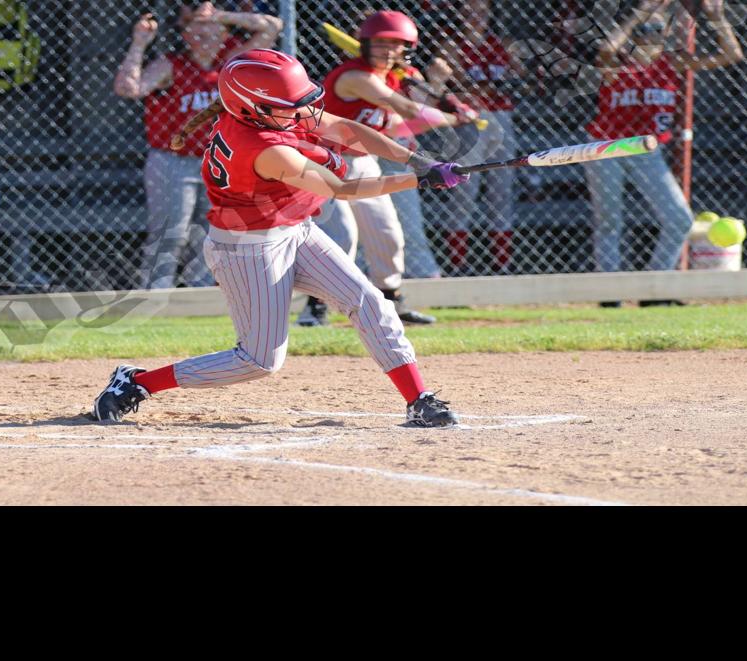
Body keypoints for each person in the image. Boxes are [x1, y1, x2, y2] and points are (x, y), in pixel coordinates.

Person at [87, 48, 469, 428]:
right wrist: (420, 179)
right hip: (248, 250)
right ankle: (136, 383)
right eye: (290, 104)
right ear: (252, 108)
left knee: (371, 303)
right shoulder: (263, 148)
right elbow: (343, 187)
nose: (302, 110)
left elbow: (346, 130)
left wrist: (416, 159)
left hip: (296, 230)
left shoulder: (274, 112)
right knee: (259, 360)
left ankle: (418, 399)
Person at [301, 10, 478, 328]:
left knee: (388, 234)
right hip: (325, 162)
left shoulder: (391, 79)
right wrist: (453, 115)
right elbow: (407, 107)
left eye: (396, 45)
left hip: (362, 162)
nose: (388, 51)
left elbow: (397, 125)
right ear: (364, 44)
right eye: (380, 44)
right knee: (341, 237)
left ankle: (391, 300)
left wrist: (437, 91)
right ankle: (315, 309)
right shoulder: (355, 76)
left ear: (407, 49)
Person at [116, 1, 284, 291]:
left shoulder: (231, 62)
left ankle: (203, 293)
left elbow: (273, 26)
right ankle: (157, 292)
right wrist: (139, 43)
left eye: (212, 26)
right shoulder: (172, 65)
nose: (204, 32)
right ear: (184, 32)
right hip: (173, 161)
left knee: (215, 232)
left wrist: (221, 15)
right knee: (171, 231)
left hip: (220, 162)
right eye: (197, 25)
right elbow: (129, 88)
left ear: (224, 31)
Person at [586, 0, 741, 302]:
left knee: (680, 219)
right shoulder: (616, 60)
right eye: (644, 29)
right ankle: (609, 294)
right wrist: (641, 11)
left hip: (646, 149)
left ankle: (655, 290)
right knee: (610, 221)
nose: (650, 35)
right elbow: (606, 47)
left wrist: (717, 17)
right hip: (606, 146)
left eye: (658, 29)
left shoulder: (673, 62)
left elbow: (732, 54)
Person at [440, 0, 518, 275]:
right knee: (465, 192)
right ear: (460, 13)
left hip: (502, 119)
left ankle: (502, 264)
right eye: (469, 10)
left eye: (481, 11)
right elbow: (462, 85)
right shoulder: (453, 45)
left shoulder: (502, 44)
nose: (475, 16)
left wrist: (491, 86)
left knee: (501, 191)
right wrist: (490, 86)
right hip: (469, 122)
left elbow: (521, 78)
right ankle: (457, 265)